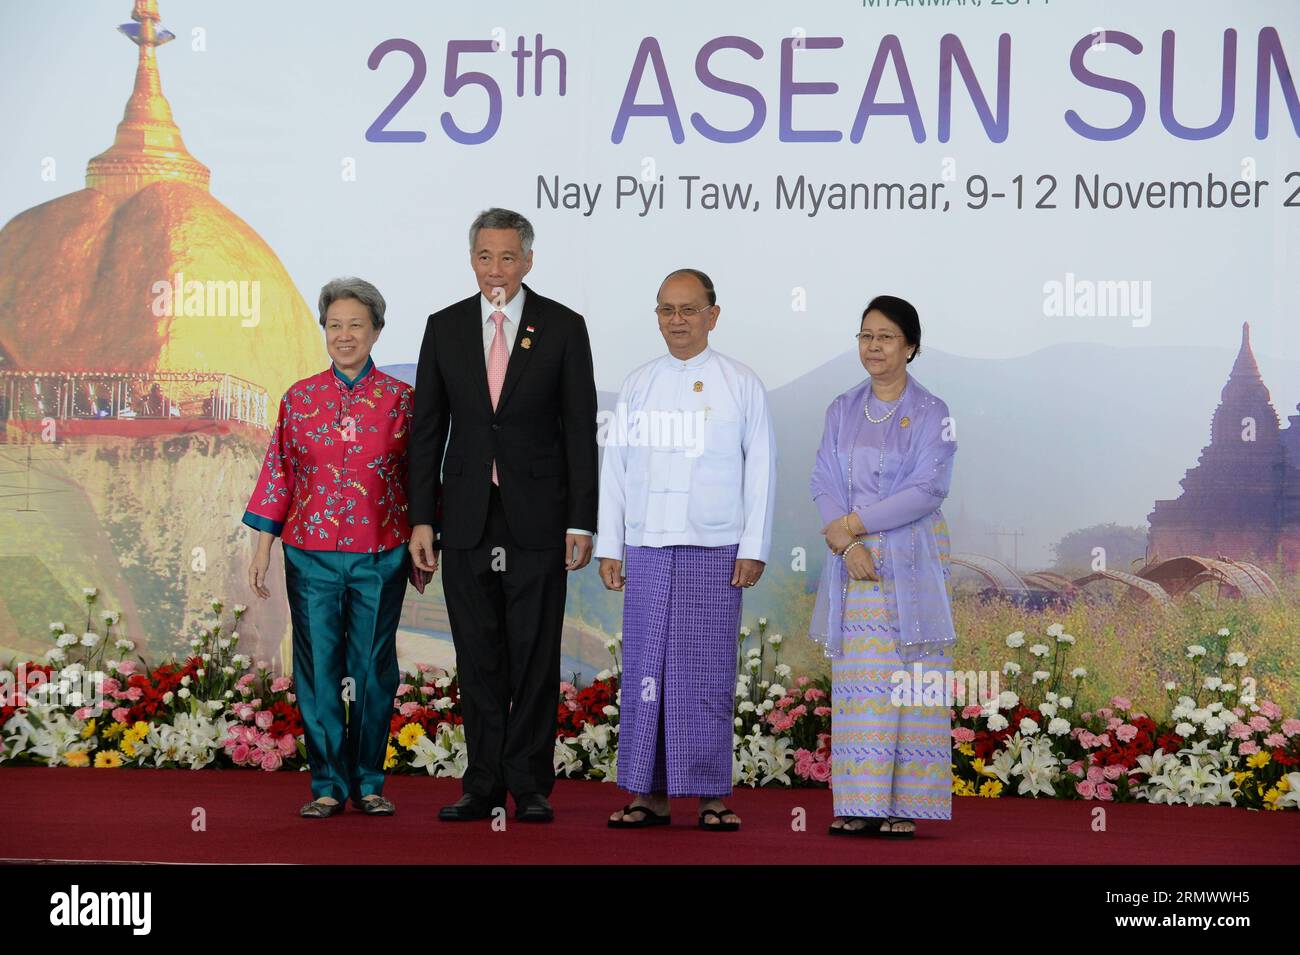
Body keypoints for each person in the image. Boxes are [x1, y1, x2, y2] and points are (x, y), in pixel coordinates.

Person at [408, 208, 598, 824]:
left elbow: (579, 431)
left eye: (508, 257)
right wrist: (422, 519)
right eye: (485, 256)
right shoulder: (444, 327)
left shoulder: (563, 327)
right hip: (465, 517)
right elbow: (427, 430)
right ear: (472, 260)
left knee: (535, 655)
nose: (496, 269)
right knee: (478, 655)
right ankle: (482, 783)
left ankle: (531, 784)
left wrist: (581, 521)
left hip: (538, 519)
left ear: (529, 261)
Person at [597, 268, 776, 832]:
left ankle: (709, 796)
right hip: (647, 544)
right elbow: (615, 469)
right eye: (666, 310)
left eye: (689, 309)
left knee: (705, 673)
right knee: (646, 669)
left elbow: (761, 470)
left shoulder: (740, 383)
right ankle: (647, 794)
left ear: (712, 315)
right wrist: (610, 545)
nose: (677, 320)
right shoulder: (639, 383)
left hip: (715, 545)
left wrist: (754, 546)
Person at [243, 277, 415, 819]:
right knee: (318, 669)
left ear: (376, 331)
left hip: (380, 553)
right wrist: (262, 548)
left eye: (356, 325)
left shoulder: (402, 400)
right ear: (324, 330)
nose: (344, 335)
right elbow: (279, 474)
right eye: (334, 325)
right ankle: (328, 784)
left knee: (372, 669)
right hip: (309, 553)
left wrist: (423, 542)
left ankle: (368, 782)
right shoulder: (299, 398)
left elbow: (418, 478)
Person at [809, 294, 957, 838]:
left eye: (886, 337)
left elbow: (929, 488)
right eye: (866, 336)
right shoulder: (842, 408)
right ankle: (858, 803)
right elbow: (822, 480)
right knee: (861, 683)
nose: (874, 346)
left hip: (914, 562)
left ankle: (903, 804)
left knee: (910, 678)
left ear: (910, 346)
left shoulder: (934, 412)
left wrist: (853, 523)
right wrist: (847, 545)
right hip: (855, 564)